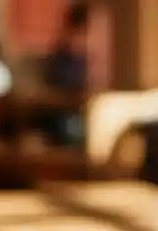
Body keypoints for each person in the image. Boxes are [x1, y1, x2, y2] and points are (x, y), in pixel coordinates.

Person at [40, 3, 93, 147]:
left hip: (80, 112)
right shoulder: (64, 54)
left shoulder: (82, 55)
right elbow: (61, 86)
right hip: (65, 114)